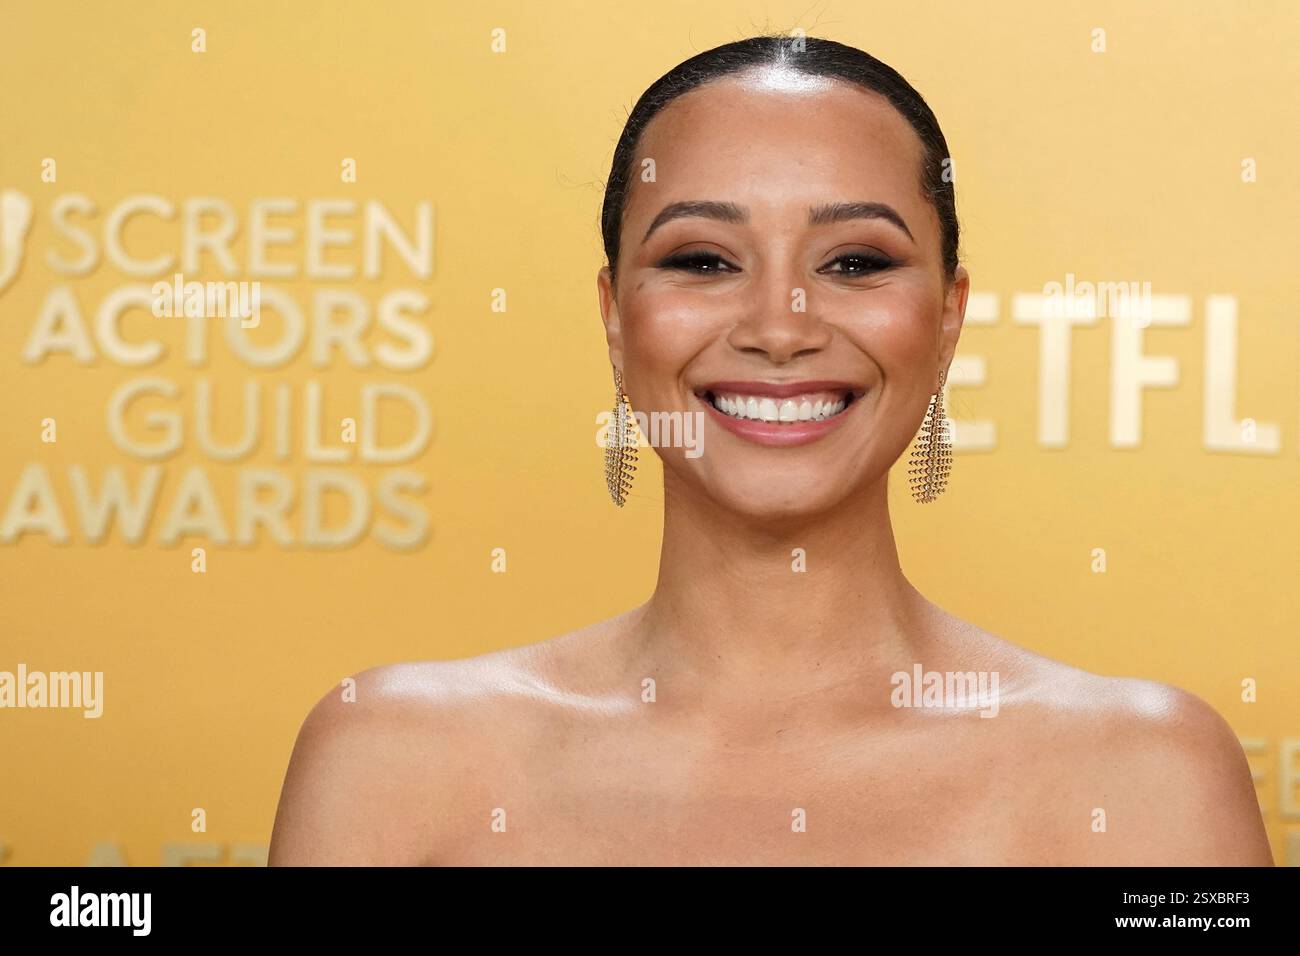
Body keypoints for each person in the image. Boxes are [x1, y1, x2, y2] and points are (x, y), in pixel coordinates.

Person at [268, 34, 1272, 866]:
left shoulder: (1146, 780)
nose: (780, 326)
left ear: (949, 317)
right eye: (702, 259)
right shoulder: (392, 760)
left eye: (854, 262)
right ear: (617, 319)